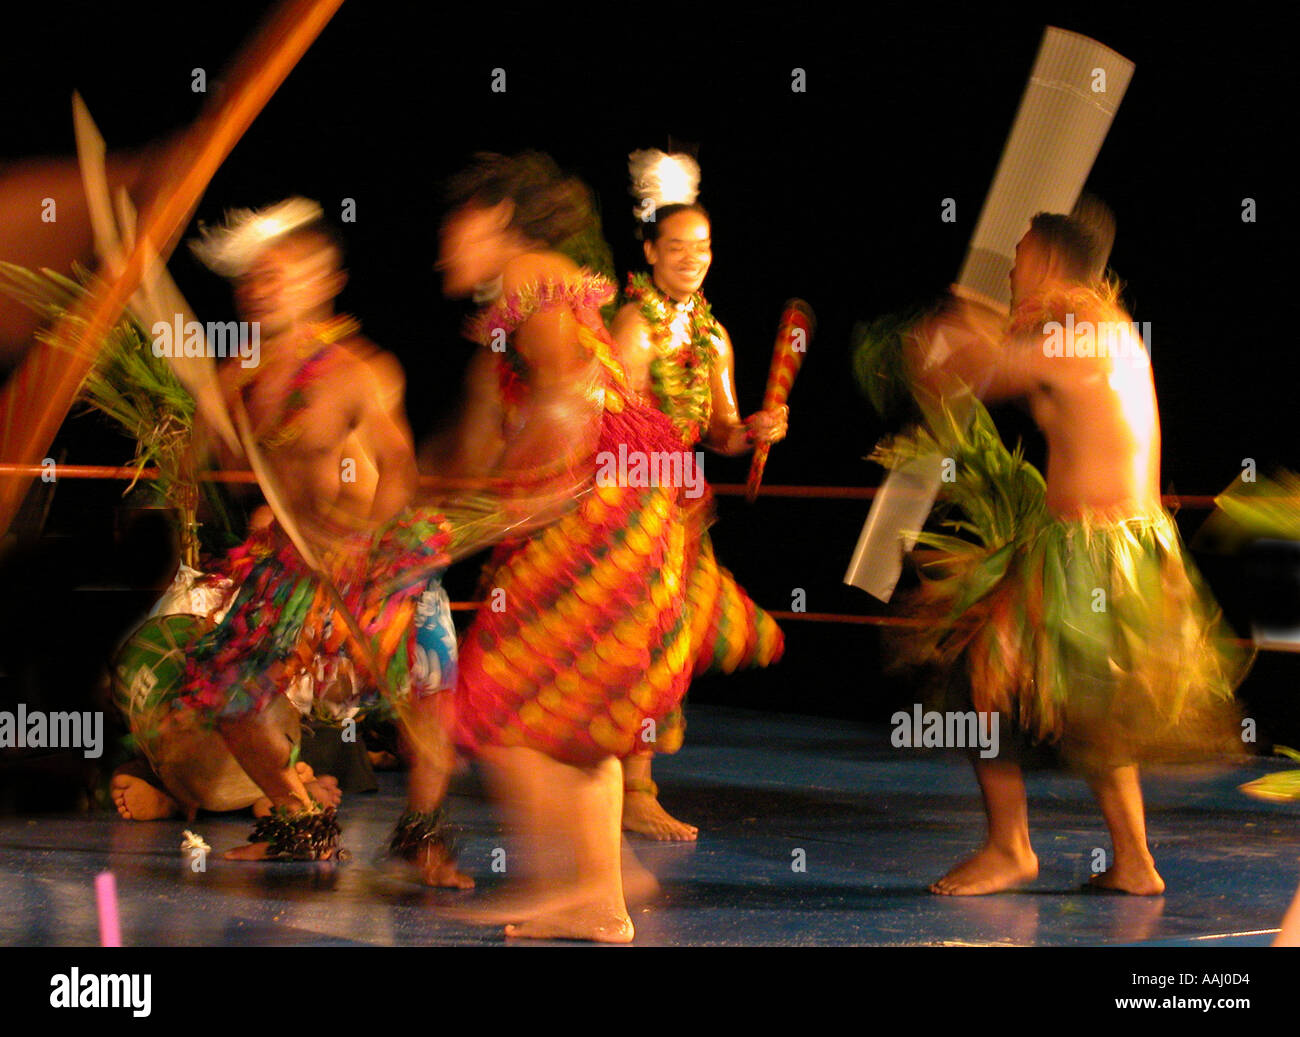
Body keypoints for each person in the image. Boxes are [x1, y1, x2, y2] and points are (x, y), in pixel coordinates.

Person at [878, 199, 1245, 895]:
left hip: (1090, 554)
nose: (1013, 273)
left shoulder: (1079, 339)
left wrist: (947, 328)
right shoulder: (1108, 331)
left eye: (1018, 260)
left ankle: (1010, 846)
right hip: (1125, 550)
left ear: (1046, 262)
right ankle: (1133, 859)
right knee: (1093, 706)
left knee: (980, 677)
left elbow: (971, 373)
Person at [137, 198, 467, 883]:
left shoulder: (359, 370)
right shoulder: (240, 376)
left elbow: (398, 466)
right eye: (251, 277)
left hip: (374, 548)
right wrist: (197, 429)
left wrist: (364, 550)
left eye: (278, 272)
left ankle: (423, 838)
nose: (261, 287)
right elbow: (210, 457)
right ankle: (298, 820)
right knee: (230, 695)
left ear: (323, 280)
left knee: (420, 696)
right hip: (294, 556)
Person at [439, 152, 702, 940]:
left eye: (456, 223)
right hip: (626, 504)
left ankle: (582, 885)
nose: (445, 243)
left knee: (498, 696)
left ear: (493, 215)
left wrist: (521, 503)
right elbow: (478, 443)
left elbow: (566, 401)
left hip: (597, 506)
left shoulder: (528, 277)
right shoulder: (528, 297)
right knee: (566, 710)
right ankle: (594, 892)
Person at [607, 149, 786, 840]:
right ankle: (631, 791)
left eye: (702, 247)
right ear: (650, 250)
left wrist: (758, 428)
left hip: (677, 509)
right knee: (631, 645)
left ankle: (635, 786)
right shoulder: (634, 327)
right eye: (676, 246)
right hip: (628, 505)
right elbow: (609, 425)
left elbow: (721, 433)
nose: (691, 258)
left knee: (666, 647)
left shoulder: (712, 336)